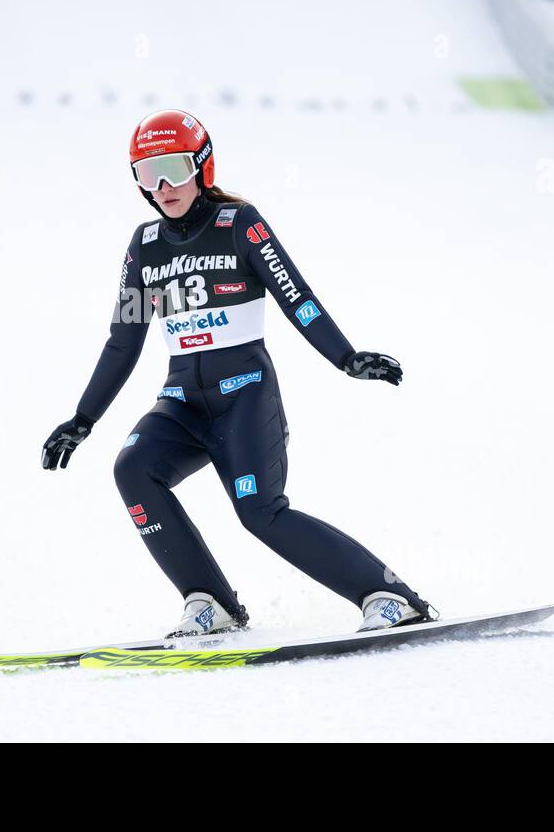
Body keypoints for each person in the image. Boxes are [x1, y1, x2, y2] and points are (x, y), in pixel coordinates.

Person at [41, 110, 436, 637]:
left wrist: (346, 357)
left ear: (202, 167)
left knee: (259, 511)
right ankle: (212, 603)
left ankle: (390, 596)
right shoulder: (145, 246)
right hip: (182, 402)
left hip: (245, 396)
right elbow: (123, 339)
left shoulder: (239, 223)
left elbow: (297, 297)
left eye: (175, 170)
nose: (162, 186)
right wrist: (82, 419)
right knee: (133, 467)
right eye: (146, 173)